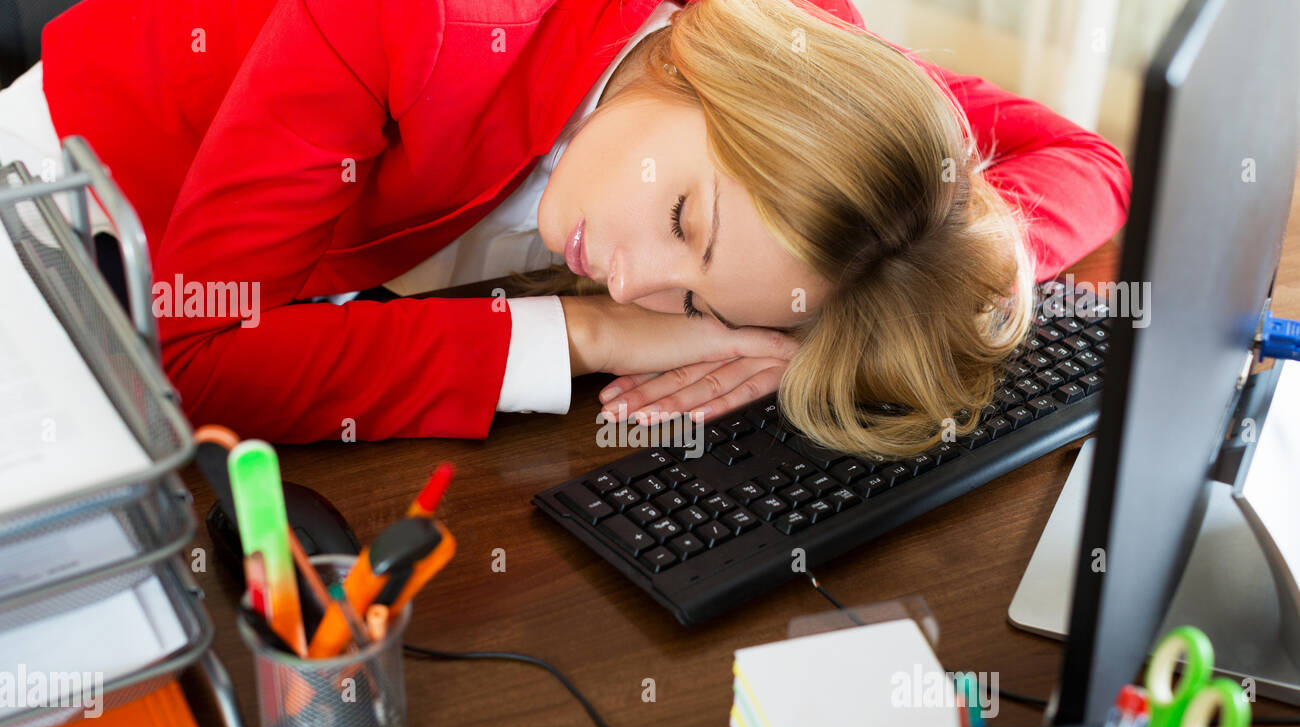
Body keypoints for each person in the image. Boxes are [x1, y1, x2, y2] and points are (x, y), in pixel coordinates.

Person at [11, 0, 1129, 455]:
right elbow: (198, 357)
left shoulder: (813, 65)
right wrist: (590, 335)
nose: (635, 281)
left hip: (352, 277)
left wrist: (853, 312)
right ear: (699, 64)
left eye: (693, 300)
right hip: (75, 215)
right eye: (685, 219)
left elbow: (1085, 163)